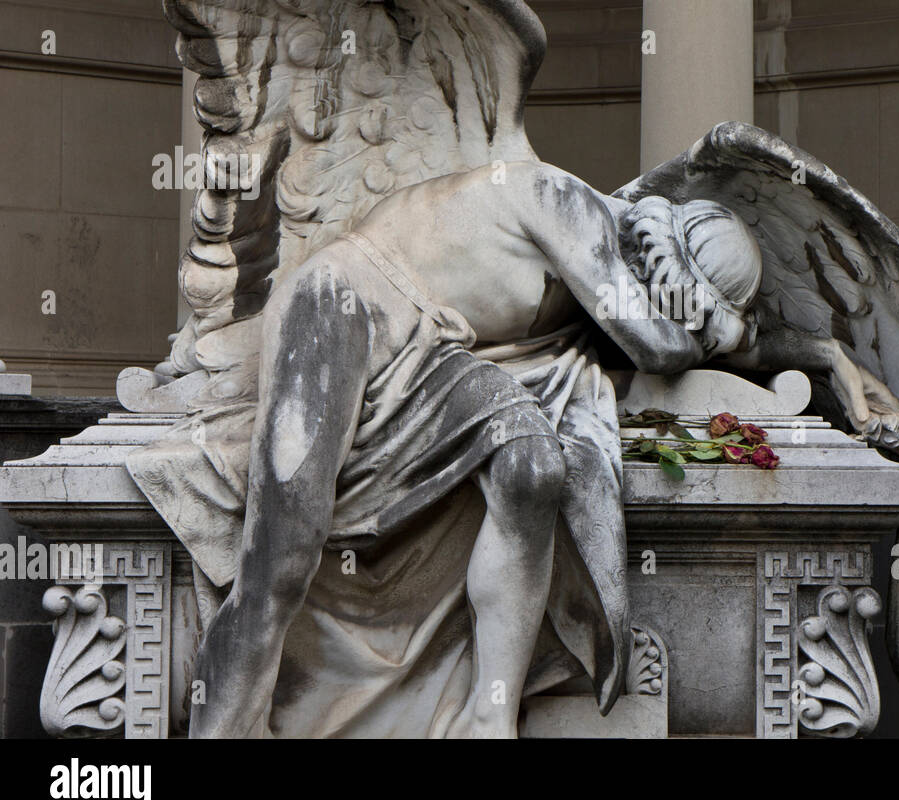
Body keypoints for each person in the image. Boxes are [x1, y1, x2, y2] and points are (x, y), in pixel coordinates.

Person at [179, 160, 764, 737]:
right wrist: (726, 337)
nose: (671, 318)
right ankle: (225, 726)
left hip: (436, 352)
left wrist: (810, 356)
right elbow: (655, 346)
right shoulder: (567, 202)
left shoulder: (597, 278)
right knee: (280, 560)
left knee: (532, 465)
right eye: (674, 302)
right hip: (351, 303)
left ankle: (489, 717)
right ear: (652, 257)